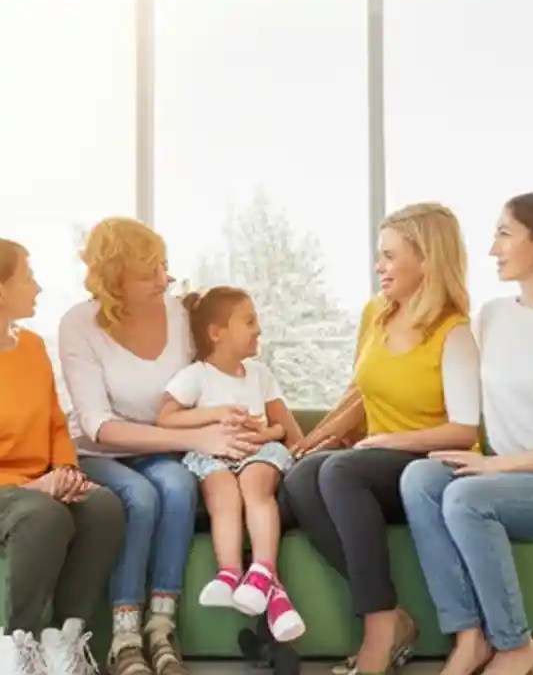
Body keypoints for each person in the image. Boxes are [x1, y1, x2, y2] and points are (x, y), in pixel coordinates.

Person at [399, 191, 533, 675]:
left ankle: (517, 645)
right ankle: (468, 637)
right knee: (419, 479)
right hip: (502, 477)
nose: (492, 248)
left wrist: (498, 465)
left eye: (504, 234)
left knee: (466, 498)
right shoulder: (493, 316)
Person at [282, 202, 482, 675]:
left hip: (435, 463)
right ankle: (393, 618)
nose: (379, 267)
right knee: (302, 477)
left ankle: (377, 635)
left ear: (428, 260)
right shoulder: (376, 312)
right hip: (378, 461)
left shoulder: (453, 334)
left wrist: (389, 442)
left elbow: (464, 429)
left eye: (390, 256)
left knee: (341, 469)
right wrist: (319, 435)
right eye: (380, 255)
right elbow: (361, 392)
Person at [59, 218, 259, 675]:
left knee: (176, 486)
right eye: (149, 272)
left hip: (163, 448)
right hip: (100, 452)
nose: (163, 279)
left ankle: (161, 628)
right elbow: (98, 425)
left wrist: (235, 417)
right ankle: (124, 636)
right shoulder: (78, 325)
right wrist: (193, 437)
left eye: (163, 267)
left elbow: (207, 377)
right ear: (115, 280)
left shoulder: (176, 313)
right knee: (140, 497)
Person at [0, 237, 125, 675]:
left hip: (38, 487)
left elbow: (53, 422)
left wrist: (66, 471)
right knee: (41, 515)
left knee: (103, 506)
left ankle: (65, 642)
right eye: (27, 277)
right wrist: (29, 486)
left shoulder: (30, 347)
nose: (38, 287)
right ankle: (18, 645)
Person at [157, 286, 306, 642]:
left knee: (255, 486)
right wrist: (216, 415)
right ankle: (230, 574)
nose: (259, 329)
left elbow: (286, 430)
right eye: (249, 321)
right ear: (216, 333)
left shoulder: (260, 375)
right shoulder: (196, 376)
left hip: (258, 453)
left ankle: (263, 571)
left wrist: (262, 432)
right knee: (223, 495)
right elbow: (165, 418)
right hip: (213, 456)